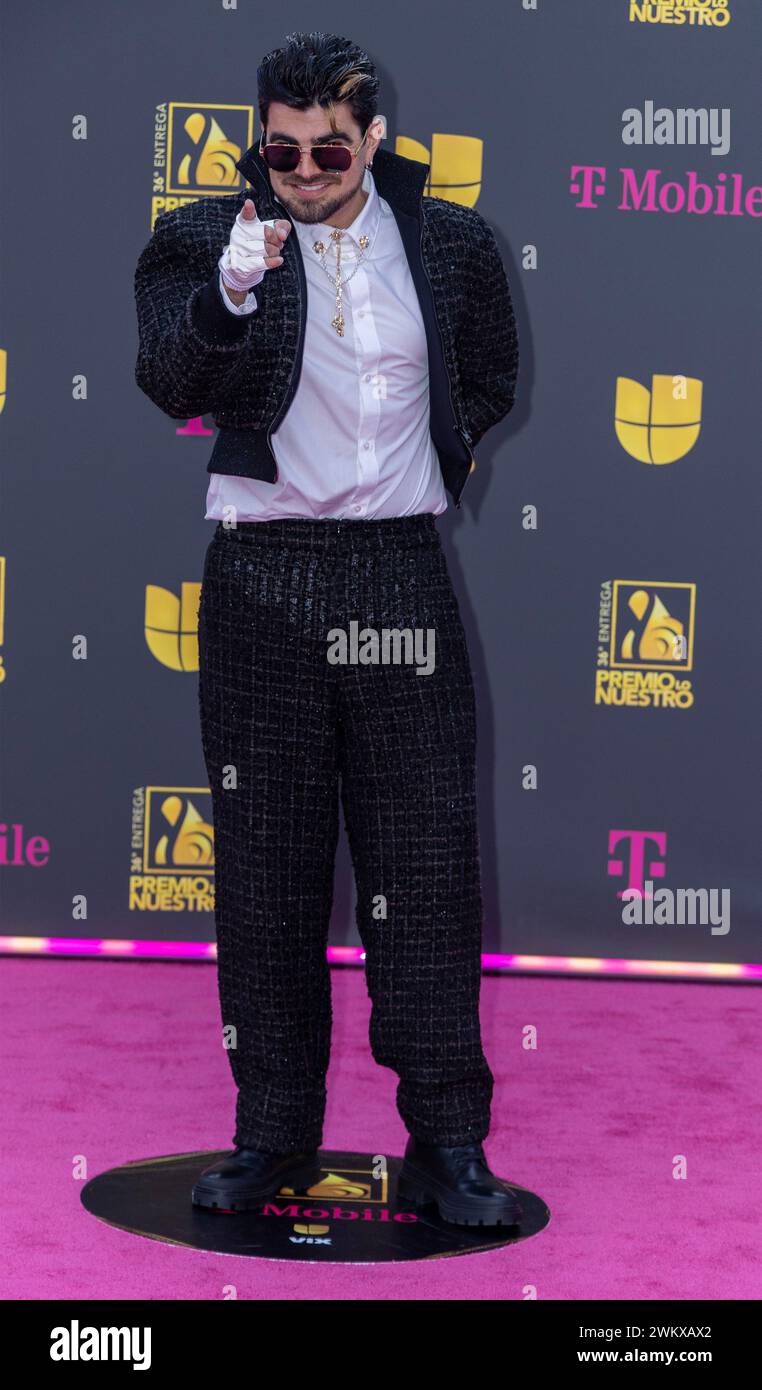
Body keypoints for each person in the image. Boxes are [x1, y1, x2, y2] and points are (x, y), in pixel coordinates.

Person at [134, 30, 520, 1226]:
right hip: (263, 581)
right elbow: (166, 377)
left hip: (399, 574)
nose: (302, 169)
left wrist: (409, 470)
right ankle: (269, 1133)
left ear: (373, 140)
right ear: (261, 137)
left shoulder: (449, 245)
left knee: (427, 866)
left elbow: (489, 379)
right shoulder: (204, 236)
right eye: (281, 148)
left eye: (327, 149)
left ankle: (451, 1143)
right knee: (264, 876)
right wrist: (230, 296)